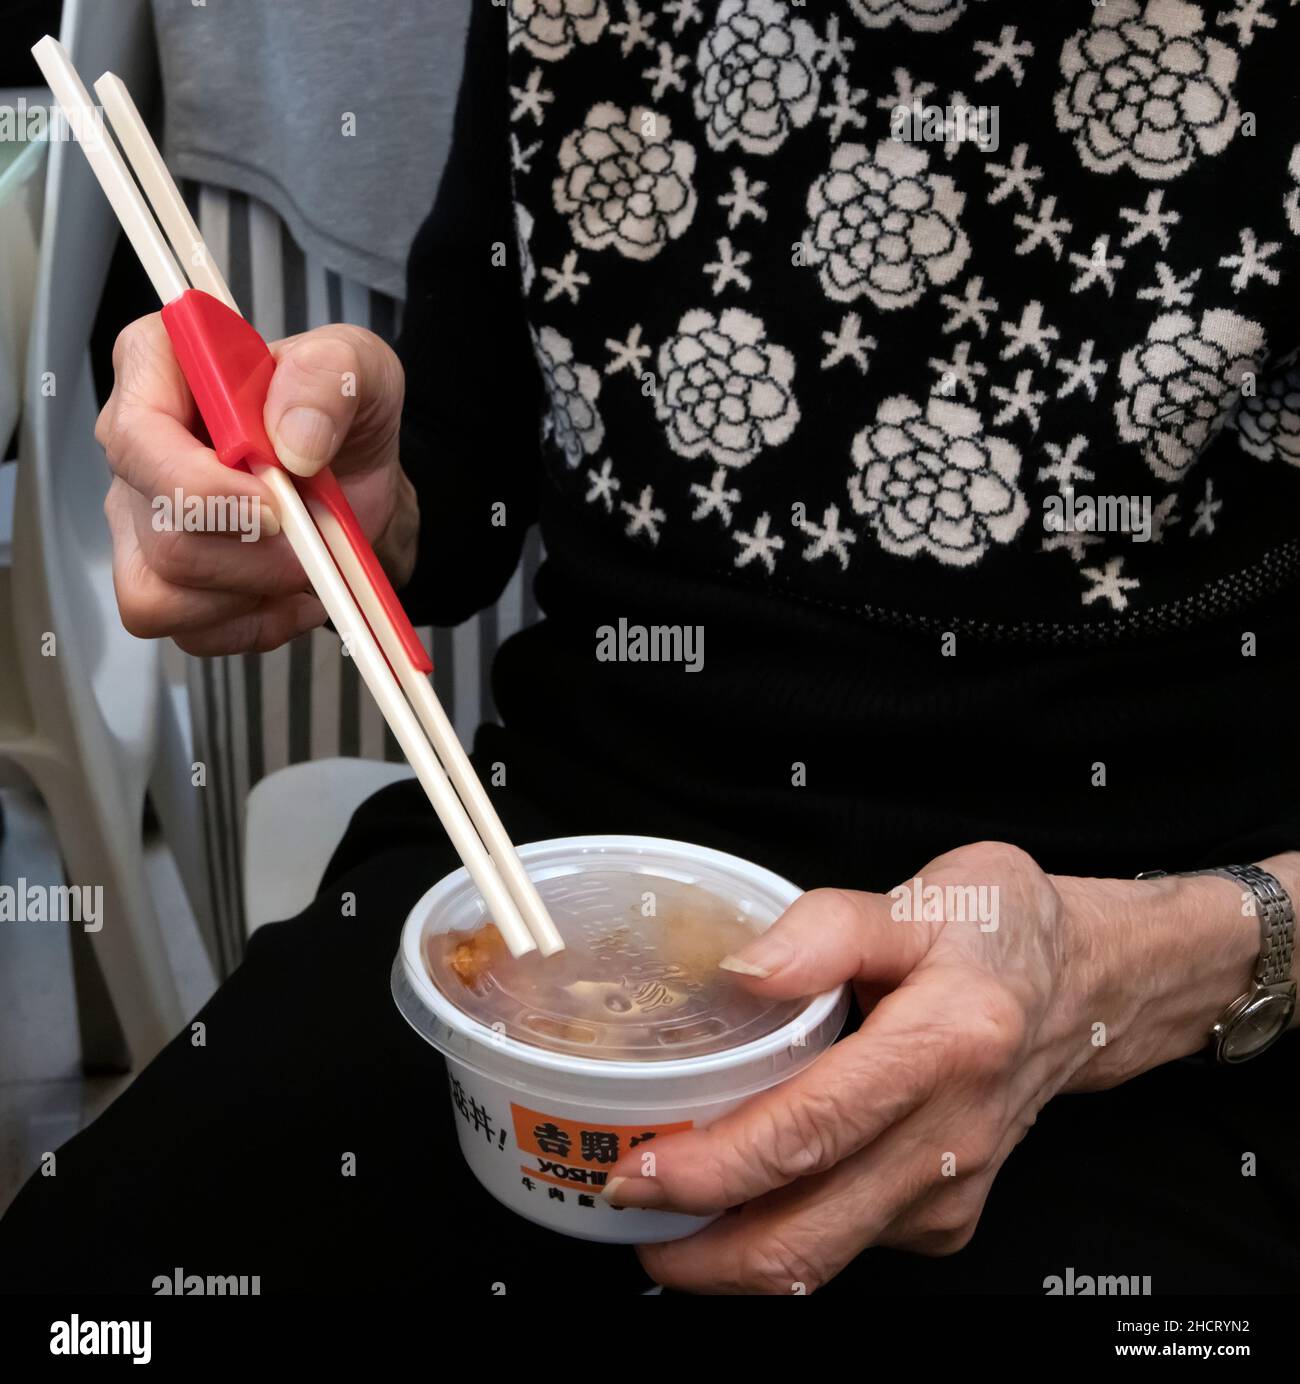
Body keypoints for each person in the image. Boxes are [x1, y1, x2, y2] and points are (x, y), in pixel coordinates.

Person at [2, 0, 1298, 1296]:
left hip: (1155, 959)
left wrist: (1159, 958)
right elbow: (466, 477)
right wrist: (339, 497)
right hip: (573, 870)